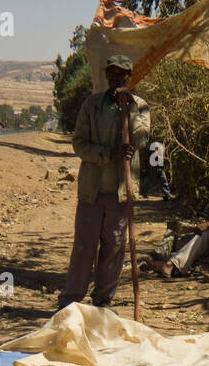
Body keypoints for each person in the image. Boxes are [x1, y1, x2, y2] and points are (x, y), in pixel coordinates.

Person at [57, 52, 151, 311]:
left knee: (115, 248)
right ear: (106, 76)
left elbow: (141, 139)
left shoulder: (140, 106)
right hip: (92, 191)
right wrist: (108, 154)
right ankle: (71, 302)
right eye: (111, 74)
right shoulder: (92, 105)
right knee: (84, 247)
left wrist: (128, 108)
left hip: (121, 194)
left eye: (121, 74)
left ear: (129, 77)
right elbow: (79, 144)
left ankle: (102, 302)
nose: (115, 78)